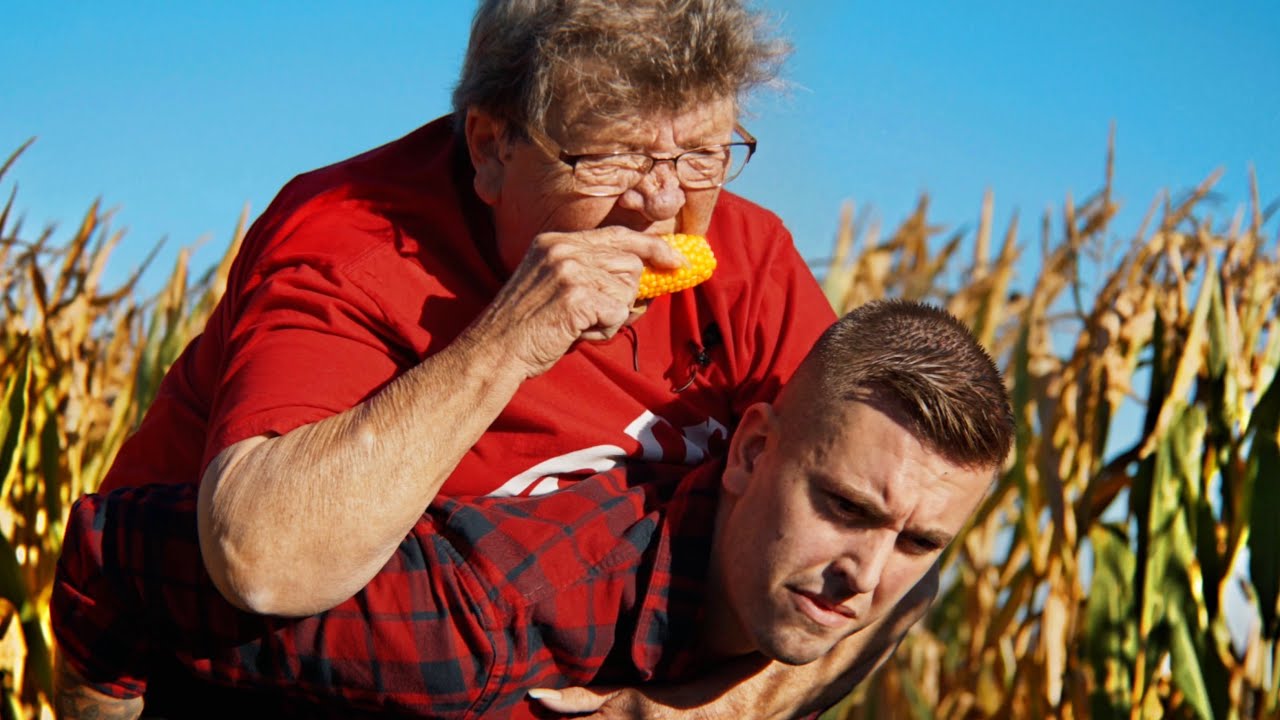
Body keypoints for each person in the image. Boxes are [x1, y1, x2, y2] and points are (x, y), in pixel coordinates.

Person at [87, 1, 846, 714]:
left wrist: (692, 712)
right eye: (611, 158)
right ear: (489, 147)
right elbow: (260, 563)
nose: (660, 202)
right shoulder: (354, 241)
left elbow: (901, 524)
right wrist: (510, 338)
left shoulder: (753, 262)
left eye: (703, 154)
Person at [53, 301, 1015, 719]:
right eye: (845, 506)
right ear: (752, 451)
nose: (866, 577)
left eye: (920, 540)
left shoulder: (805, 604)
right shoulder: (484, 623)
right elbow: (108, 552)